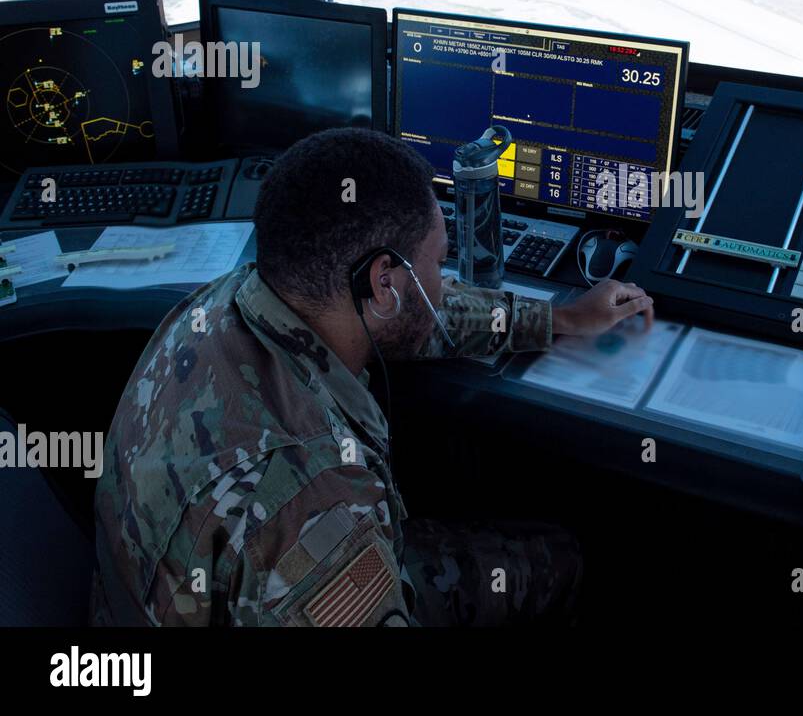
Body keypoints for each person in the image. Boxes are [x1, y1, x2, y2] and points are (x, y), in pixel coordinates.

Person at [92, 127, 653, 625]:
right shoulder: (313, 500)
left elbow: (421, 312)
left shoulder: (235, 297)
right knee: (560, 556)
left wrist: (559, 318)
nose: (443, 281)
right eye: (437, 263)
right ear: (386, 283)